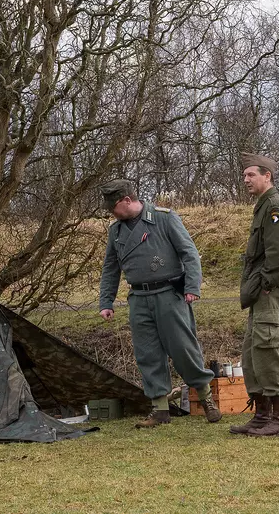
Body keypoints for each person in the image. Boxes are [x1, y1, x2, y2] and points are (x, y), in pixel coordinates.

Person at [98, 179, 220, 428]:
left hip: (168, 294)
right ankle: (160, 409)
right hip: (139, 299)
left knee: (183, 349)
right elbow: (110, 268)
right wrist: (106, 301)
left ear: (127, 201)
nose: (112, 213)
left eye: (113, 207)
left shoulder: (164, 218)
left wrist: (192, 287)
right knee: (147, 354)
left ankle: (206, 399)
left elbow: (189, 252)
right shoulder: (116, 231)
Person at [229, 152, 279, 437]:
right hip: (261, 290)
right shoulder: (262, 206)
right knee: (252, 352)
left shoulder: (274, 207)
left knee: (270, 350)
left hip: (271, 289)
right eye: (244, 175)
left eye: (251, 175)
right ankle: (262, 416)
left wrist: (267, 284)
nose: (245, 180)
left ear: (266, 176)